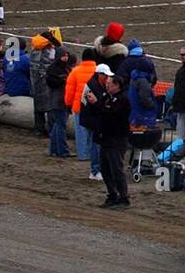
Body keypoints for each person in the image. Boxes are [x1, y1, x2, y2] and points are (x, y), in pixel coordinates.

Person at [91, 73, 132, 208]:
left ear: (117, 85)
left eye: (109, 84)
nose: (106, 86)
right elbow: (102, 112)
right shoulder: (107, 97)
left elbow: (112, 115)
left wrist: (96, 104)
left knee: (116, 169)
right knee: (106, 169)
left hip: (116, 139)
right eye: (106, 84)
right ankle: (112, 195)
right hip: (105, 139)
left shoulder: (122, 100)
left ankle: (124, 198)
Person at [66, 48, 101, 180]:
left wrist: (68, 103)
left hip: (78, 106)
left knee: (81, 132)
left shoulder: (76, 71)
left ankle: (82, 154)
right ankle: (93, 156)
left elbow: (69, 90)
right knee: (94, 134)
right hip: (94, 107)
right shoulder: (97, 71)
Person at [29, 27, 62, 138]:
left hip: (35, 81)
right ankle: (51, 131)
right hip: (47, 83)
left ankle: (39, 130)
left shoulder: (34, 51)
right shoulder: (51, 52)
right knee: (50, 108)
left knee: (38, 108)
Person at [45, 47, 75, 158]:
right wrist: (63, 80)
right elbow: (51, 82)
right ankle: (63, 151)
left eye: (67, 55)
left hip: (63, 101)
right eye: (63, 55)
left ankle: (54, 149)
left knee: (58, 126)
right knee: (60, 126)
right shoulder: (53, 70)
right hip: (58, 101)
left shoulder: (66, 69)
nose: (65, 58)